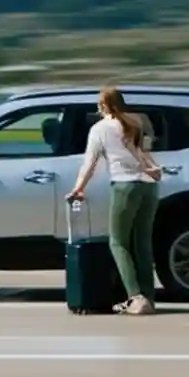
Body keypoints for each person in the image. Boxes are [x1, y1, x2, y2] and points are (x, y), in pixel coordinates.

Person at [65, 86, 163, 315]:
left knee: (118, 242)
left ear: (103, 106)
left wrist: (78, 188)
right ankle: (148, 297)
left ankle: (135, 298)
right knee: (142, 242)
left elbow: (90, 163)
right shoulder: (136, 123)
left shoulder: (100, 129)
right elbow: (145, 155)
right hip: (149, 187)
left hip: (125, 186)